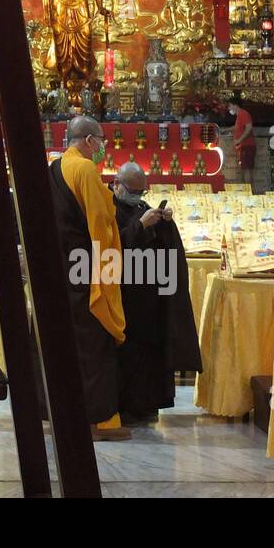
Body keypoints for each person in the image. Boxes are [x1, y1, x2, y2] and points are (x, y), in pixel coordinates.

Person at [48, 116, 129, 441]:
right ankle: (98, 421)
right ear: (89, 140)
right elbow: (101, 226)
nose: (104, 146)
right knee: (94, 345)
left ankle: (63, 414)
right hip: (86, 270)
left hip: (62, 268)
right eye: (102, 140)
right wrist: (108, 277)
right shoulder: (83, 170)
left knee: (66, 343)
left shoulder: (54, 167)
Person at [110, 163, 202, 423]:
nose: (137, 197)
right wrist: (139, 226)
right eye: (132, 190)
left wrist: (163, 223)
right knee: (126, 353)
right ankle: (125, 406)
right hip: (123, 294)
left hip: (149, 296)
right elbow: (108, 246)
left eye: (141, 191)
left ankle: (148, 404)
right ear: (116, 184)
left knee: (150, 352)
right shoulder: (106, 208)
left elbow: (162, 246)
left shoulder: (142, 207)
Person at [229, 102, 255, 177]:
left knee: (247, 170)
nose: (229, 108)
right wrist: (225, 130)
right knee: (244, 169)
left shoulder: (243, 114)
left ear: (235, 105)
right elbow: (237, 127)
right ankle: (246, 187)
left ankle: (248, 188)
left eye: (230, 106)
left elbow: (249, 127)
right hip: (243, 146)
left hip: (247, 146)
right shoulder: (239, 116)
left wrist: (239, 140)